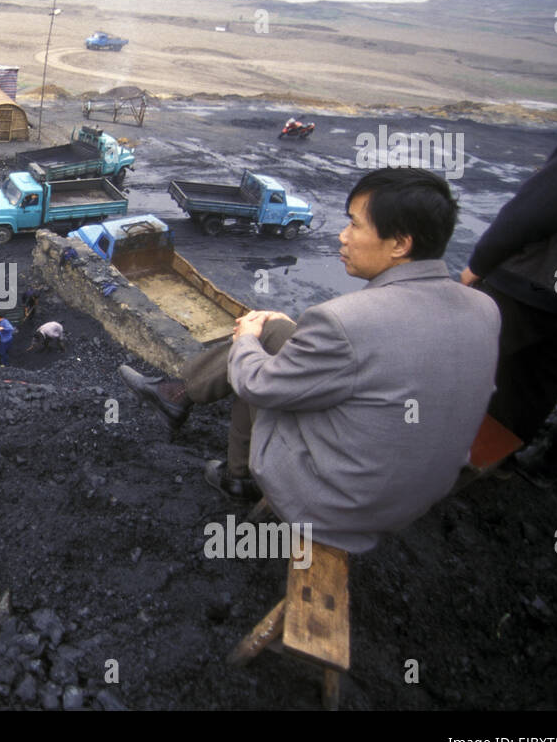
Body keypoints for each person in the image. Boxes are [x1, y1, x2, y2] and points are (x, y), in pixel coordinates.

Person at [119, 167, 501, 554]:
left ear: (400, 244)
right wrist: (282, 332)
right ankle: (185, 403)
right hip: (412, 492)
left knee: (255, 361)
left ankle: (222, 450)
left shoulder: (347, 318)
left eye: (354, 225)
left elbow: (258, 384)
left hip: (337, 506)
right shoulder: (484, 308)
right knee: (275, 332)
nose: (342, 236)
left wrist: (247, 339)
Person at [459, 112, 557, 450]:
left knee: (465, 357)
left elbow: (538, 207)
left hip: (533, 279)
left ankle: (423, 450)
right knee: (539, 375)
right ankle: (496, 455)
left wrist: (481, 262)